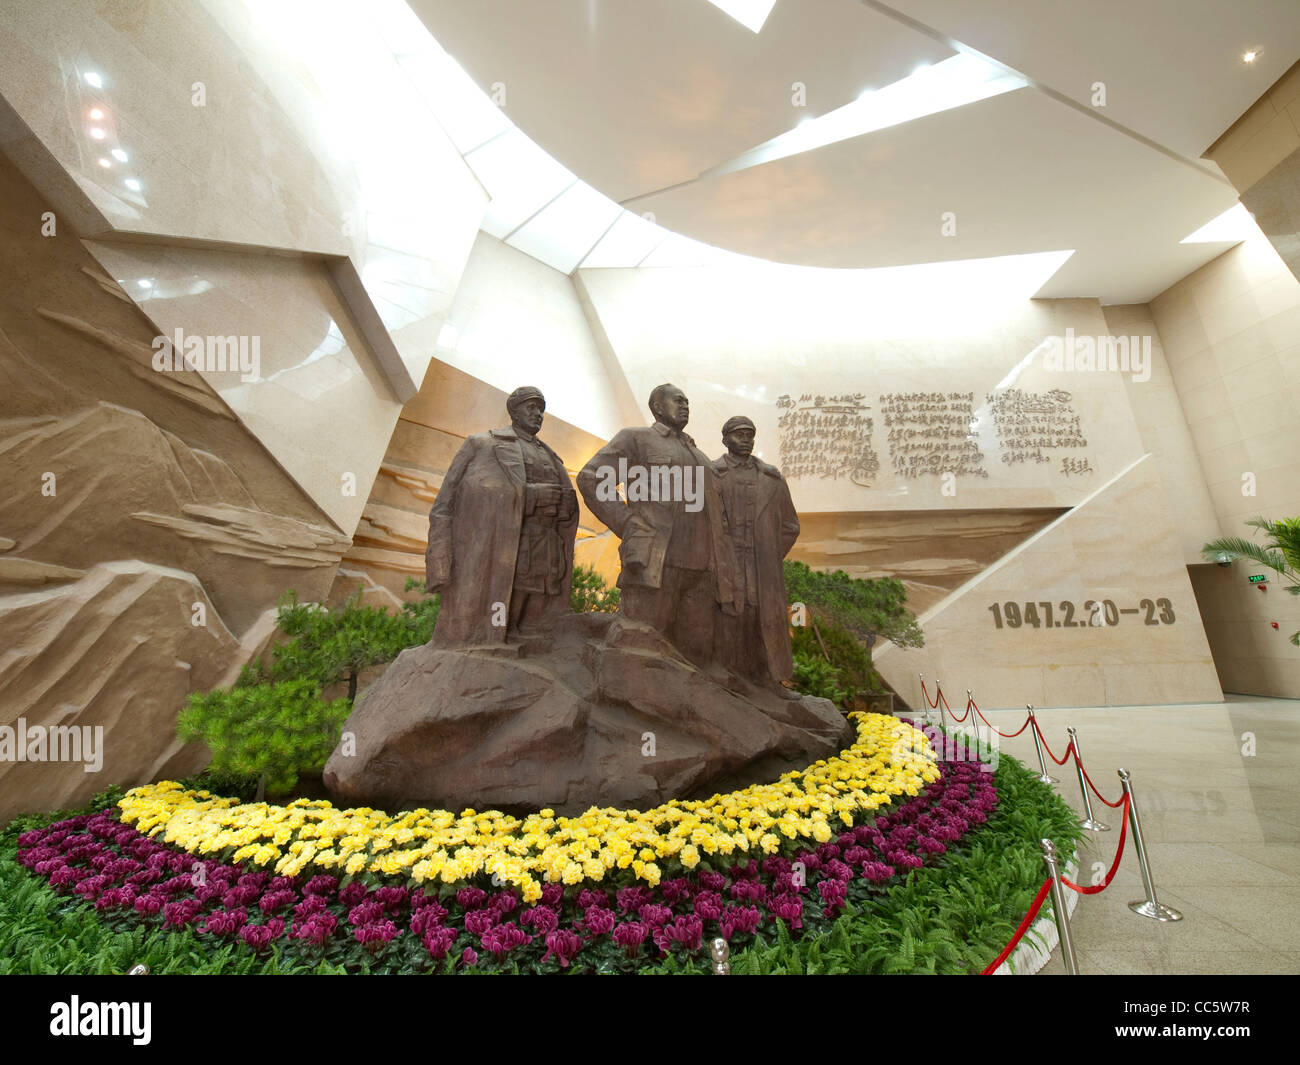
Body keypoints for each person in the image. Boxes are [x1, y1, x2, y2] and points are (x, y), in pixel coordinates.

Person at [577, 383, 738, 668]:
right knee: (639, 648)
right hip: (654, 563)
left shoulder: (700, 456)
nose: (685, 406)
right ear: (657, 407)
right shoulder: (637, 439)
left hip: (701, 570)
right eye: (678, 400)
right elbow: (592, 478)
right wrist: (628, 524)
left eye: (687, 402)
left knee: (698, 657)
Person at [425, 386, 578, 646]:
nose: (538, 414)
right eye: (531, 407)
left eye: (541, 409)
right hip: (504, 542)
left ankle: (521, 637)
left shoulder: (552, 456)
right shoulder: (482, 444)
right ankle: (493, 639)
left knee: (537, 588)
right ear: (514, 412)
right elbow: (457, 499)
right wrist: (530, 496)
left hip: (545, 541)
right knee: (509, 589)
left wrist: (566, 505)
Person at [712, 415, 802, 696]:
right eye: (739, 434)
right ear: (725, 439)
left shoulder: (771, 478)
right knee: (729, 617)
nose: (746, 440)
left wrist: (769, 556)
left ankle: (768, 679)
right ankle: (728, 678)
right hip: (724, 563)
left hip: (762, 565)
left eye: (750, 435)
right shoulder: (710, 474)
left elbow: (790, 526)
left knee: (761, 618)